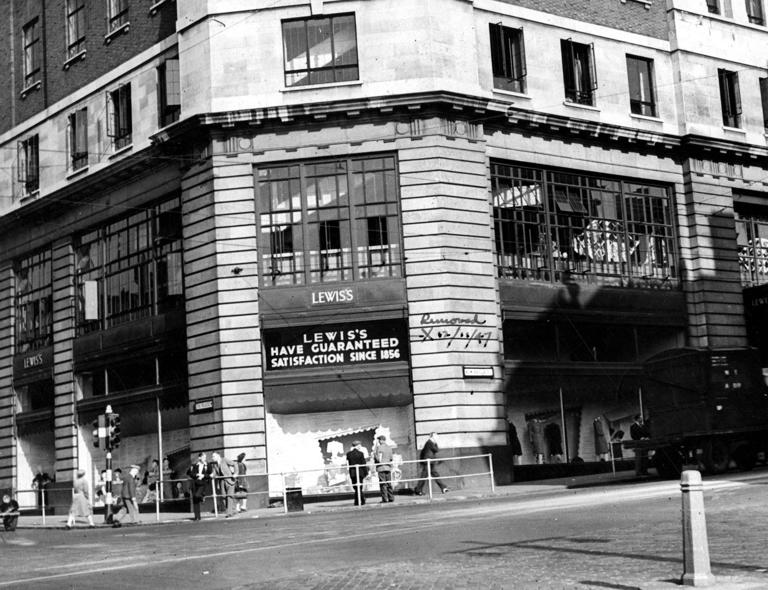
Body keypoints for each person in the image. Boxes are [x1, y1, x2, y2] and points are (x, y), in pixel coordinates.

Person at [212, 451, 237, 517]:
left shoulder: (224, 460)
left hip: (230, 481)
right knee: (223, 497)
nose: (212, 458)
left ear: (218, 456)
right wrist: (210, 475)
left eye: (213, 456)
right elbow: (214, 474)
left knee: (229, 496)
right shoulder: (215, 465)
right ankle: (232, 510)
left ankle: (229, 513)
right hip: (222, 482)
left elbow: (234, 464)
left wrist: (235, 473)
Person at [187, 452, 208, 521]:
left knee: (197, 495)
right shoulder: (195, 465)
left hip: (202, 484)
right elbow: (189, 473)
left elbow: (210, 474)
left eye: (205, 457)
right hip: (195, 484)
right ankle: (197, 516)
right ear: (199, 458)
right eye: (203, 457)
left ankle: (202, 497)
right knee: (195, 501)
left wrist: (203, 476)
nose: (204, 459)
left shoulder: (207, 465)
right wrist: (196, 474)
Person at [346, 440, 368, 506]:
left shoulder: (348, 454)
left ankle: (358, 501)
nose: (360, 446)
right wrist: (366, 473)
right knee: (359, 487)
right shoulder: (361, 453)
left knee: (356, 487)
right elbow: (363, 464)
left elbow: (349, 464)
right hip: (360, 472)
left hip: (353, 472)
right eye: (360, 445)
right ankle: (361, 500)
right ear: (357, 445)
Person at [374, 434, 395, 503]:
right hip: (388, 467)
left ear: (381, 440)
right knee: (389, 483)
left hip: (381, 467)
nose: (379, 441)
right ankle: (391, 497)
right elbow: (391, 458)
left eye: (379, 440)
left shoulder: (378, 448)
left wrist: (374, 454)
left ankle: (385, 499)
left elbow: (377, 459)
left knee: (383, 484)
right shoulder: (389, 448)